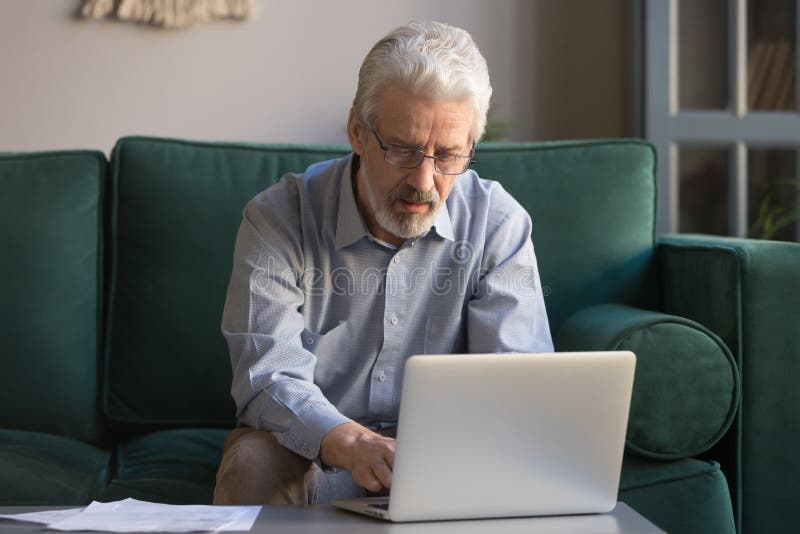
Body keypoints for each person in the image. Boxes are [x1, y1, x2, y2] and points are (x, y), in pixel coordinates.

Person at [213, 20, 553, 506]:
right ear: (357, 130)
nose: (425, 181)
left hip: (450, 458)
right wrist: (353, 443)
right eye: (403, 150)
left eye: (449, 156)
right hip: (310, 452)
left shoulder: (498, 226)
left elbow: (516, 382)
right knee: (254, 460)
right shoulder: (278, 219)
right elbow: (267, 376)